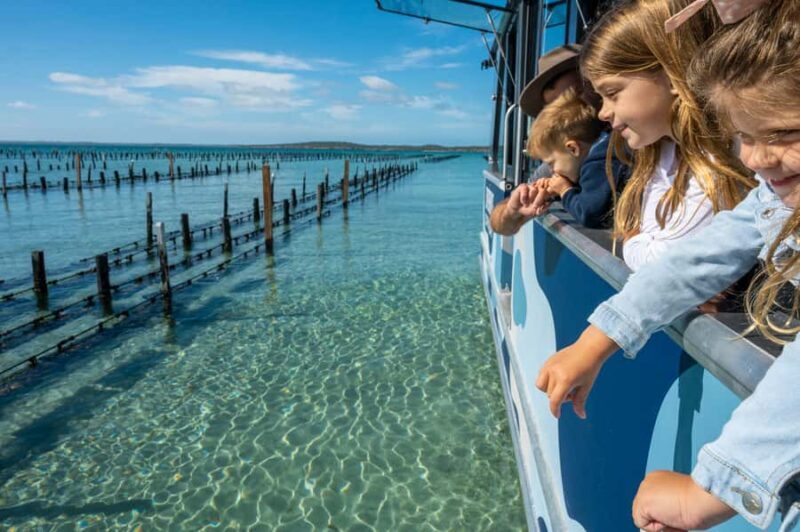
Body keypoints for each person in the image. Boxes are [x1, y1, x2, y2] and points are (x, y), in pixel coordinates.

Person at [535, 1, 800, 529]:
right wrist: (598, 341)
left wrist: (713, 489)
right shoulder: (774, 193)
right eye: (743, 135)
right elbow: (700, 257)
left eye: (783, 133)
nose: (752, 159)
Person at [578, 0, 753, 270]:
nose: (602, 112)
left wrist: (631, 241)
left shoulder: (721, 158)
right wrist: (639, 241)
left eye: (612, 93)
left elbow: (660, 262)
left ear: (672, 73)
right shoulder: (664, 152)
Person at [490, 45, 628, 234]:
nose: (571, 108)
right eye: (556, 105)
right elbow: (501, 226)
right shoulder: (561, 161)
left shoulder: (636, 136)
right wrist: (514, 209)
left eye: (578, 93)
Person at [524, 88, 625, 228]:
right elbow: (594, 192)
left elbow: (589, 214)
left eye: (551, 163)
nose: (552, 170)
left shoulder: (600, 163)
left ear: (573, 149)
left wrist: (565, 191)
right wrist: (555, 191)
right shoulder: (603, 152)